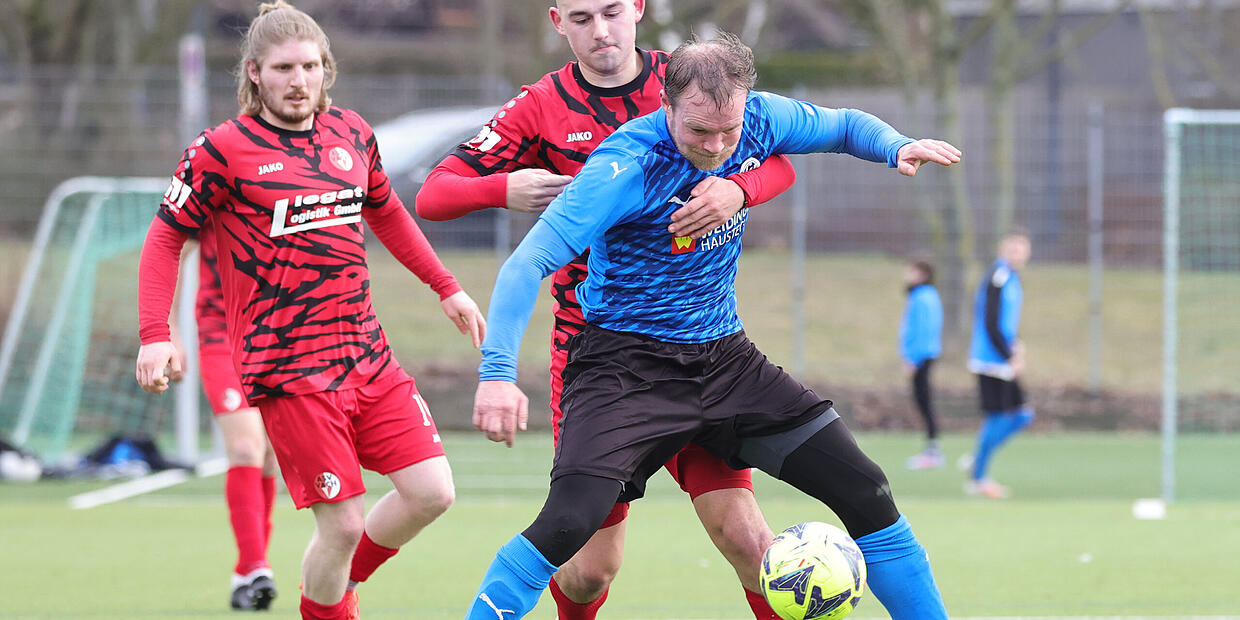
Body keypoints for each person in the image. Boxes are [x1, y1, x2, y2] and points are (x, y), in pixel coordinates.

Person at [464, 33, 961, 620]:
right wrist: (497, 373)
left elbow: (845, 125)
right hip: (626, 370)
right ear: (667, 105)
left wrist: (894, 146)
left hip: (726, 362)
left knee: (866, 489)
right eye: (700, 133)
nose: (718, 146)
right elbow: (528, 264)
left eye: (729, 131)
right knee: (569, 531)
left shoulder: (759, 119)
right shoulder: (623, 166)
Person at [417, 1, 796, 617]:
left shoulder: (693, 80)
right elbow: (433, 195)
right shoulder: (540, 105)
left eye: (613, 12)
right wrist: (501, 188)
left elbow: (780, 158)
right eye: (583, 17)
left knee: (750, 542)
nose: (602, 32)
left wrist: (739, 187)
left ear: (639, 9)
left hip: (699, 349)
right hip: (600, 355)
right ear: (557, 20)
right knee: (592, 569)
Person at [133, 3, 486, 619]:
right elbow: (165, 237)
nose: (298, 80)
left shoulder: (351, 133)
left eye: (310, 66)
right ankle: (328, 603)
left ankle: (338, 592)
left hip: (367, 356)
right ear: (254, 74)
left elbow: (389, 213)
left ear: (326, 69)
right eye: (283, 68)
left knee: (432, 492)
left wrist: (445, 285)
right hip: (289, 370)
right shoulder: (221, 150)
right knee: (343, 524)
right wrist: (154, 334)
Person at [169, 230, 281, 611]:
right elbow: (171, 247)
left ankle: (247, 573)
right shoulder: (214, 176)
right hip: (221, 335)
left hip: (277, 335)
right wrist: (167, 330)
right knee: (246, 446)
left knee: (268, 455)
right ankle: (256, 567)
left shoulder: (290, 182)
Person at [964, 229, 1034, 499]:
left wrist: (1016, 344)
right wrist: (1010, 355)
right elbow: (991, 323)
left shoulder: (1012, 278)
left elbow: (1005, 323)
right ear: (1002, 250)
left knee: (1023, 414)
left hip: (1002, 359)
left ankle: (981, 455)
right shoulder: (998, 277)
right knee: (999, 416)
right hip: (991, 362)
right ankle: (978, 478)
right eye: (1012, 249)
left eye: (1022, 249)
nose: (1018, 254)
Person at [899, 258, 944, 470]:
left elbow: (923, 331)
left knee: (924, 402)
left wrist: (913, 360)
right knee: (923, 402)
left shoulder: (922, 297)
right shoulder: (926, 296)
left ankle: (932, 452)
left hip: (922, 357)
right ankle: (931, 450)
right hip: (924, 356)